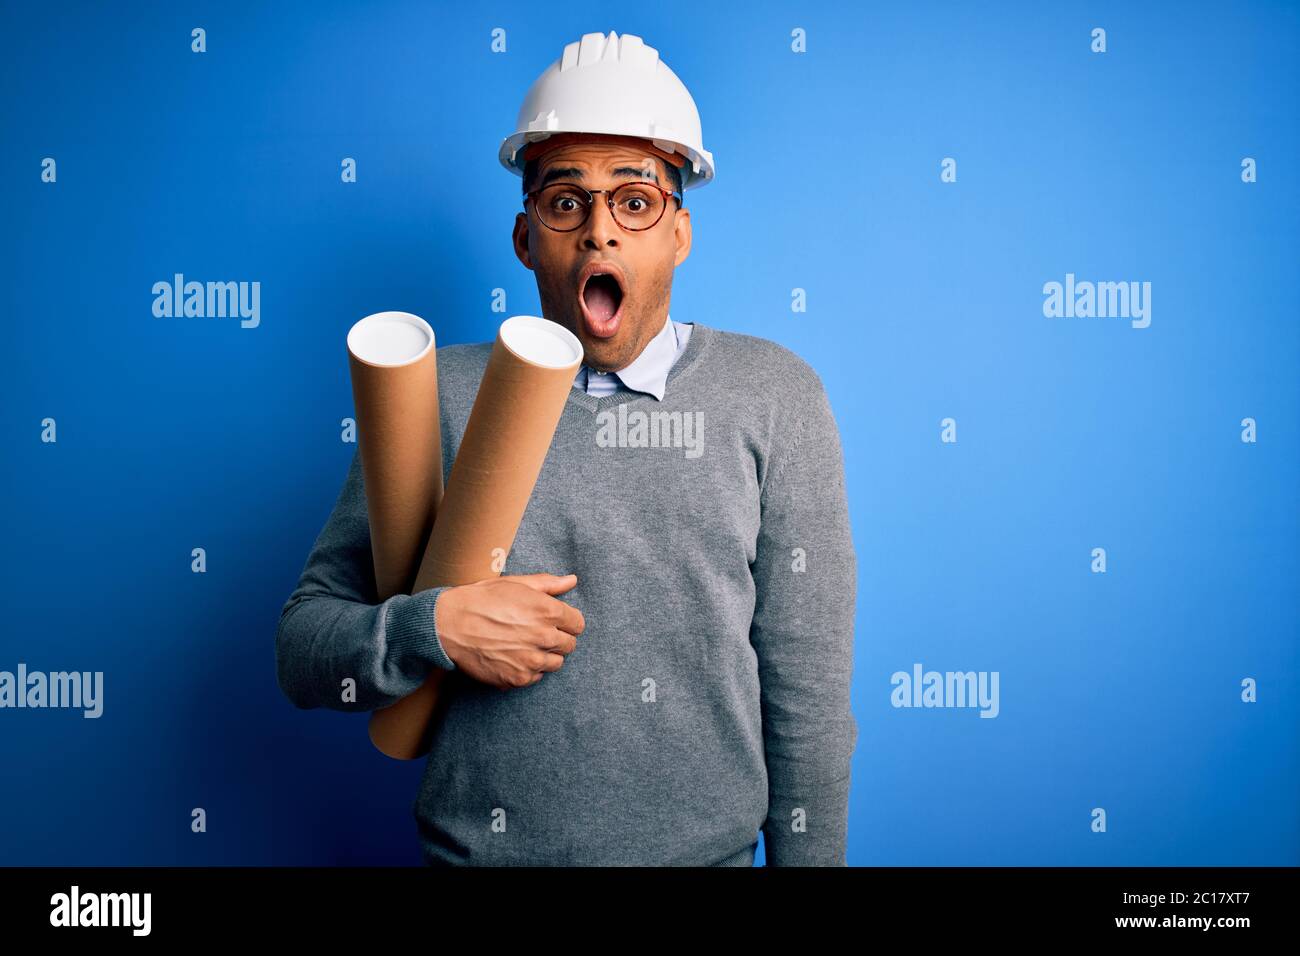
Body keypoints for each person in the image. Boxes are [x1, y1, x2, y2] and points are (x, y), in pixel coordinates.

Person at [275, 30, 858, 866]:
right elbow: (302, 650)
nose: (599, 234)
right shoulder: (433, 394)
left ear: (679, 233)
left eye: (634, 199)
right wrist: (430, 628)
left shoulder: (773, 396)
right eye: (565, 202)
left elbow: (808, 698)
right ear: (525, 238)